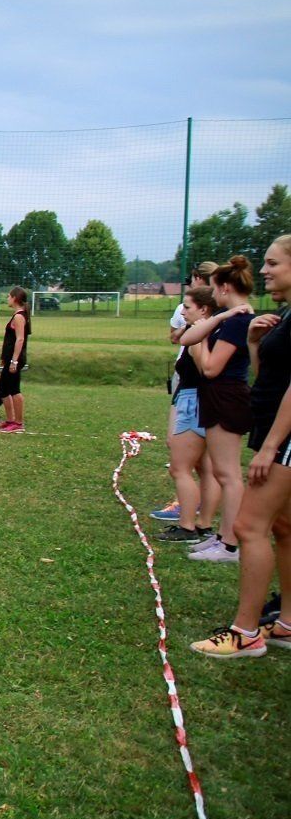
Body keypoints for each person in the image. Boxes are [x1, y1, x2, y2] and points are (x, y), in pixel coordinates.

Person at [193, 236, 291, 655]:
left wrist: (271, 447)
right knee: (284, 528)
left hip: (284, 441)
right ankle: (287, 622)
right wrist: (254, 343)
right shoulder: (284, 316)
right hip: (274, 432)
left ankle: (246, 632)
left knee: (250, 526)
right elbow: (269, 377)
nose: (263, 270)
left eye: (272, 263)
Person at [177, 255, 256, 562]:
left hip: (227, 398)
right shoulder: (229, 320)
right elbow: (188, 336)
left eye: (213, 288)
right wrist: (218, 319)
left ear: (224, 287)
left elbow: (210, 368)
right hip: (215, 398)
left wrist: (215, 328)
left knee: (229, 474)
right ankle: (221, 537)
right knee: (224, 472)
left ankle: (229, 544)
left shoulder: (239, 323)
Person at [154, 260, 221, 523]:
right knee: (204, 465)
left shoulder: (202, 334)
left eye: (187, 307)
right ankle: (201, 518)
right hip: (194, 395)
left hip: (194, 398)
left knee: (184, 464)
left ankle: (189, 517)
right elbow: (177, 337)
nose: (182, 310)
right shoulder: (200, 328)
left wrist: (195, 332)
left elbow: (207, 368)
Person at [0, 286, 30, 432]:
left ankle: (18, 423)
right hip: (9, 358)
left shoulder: (19, 316)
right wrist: (5, 358)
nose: (7, 299)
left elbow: (20, 339)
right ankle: (10, 420)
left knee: (14, 390)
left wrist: (14, 361)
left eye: (9, 296)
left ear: (15, 298)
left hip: (15, 359)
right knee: (3, 389)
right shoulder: (17, 314)